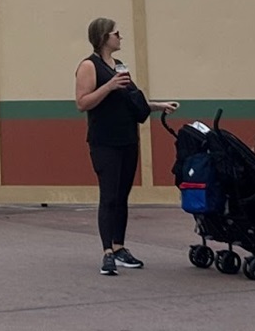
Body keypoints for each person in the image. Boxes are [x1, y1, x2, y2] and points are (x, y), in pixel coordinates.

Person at [74, 17, 179, 276]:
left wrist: (158, 105)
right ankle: (107, 252)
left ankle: (120, 247)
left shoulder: (120, 66)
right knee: (108, 195)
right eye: (116, 33)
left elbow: (132, 100)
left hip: (127, 139)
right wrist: (108, 86)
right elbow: (82, 102)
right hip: (104, 141)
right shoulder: (89, 66)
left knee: (122, 196)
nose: (120, 37)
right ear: (103, 38)